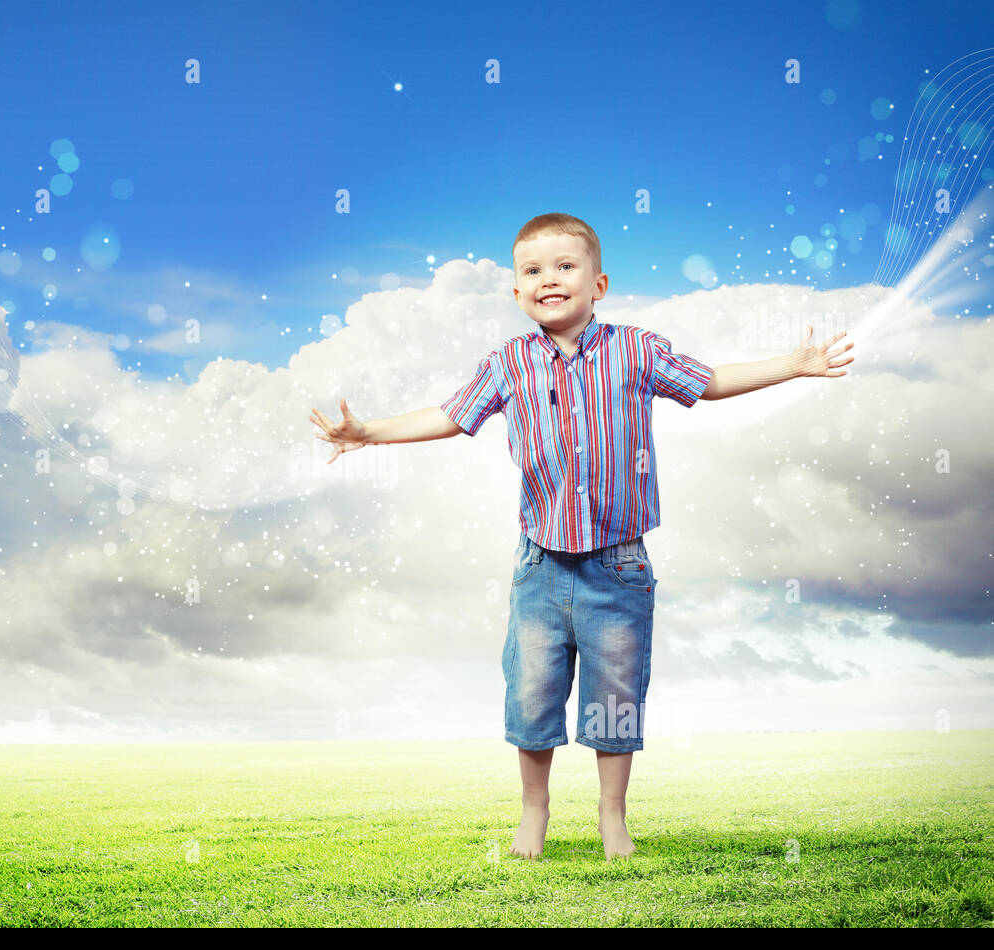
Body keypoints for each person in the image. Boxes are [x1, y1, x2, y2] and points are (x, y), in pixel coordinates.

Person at [308, 212, 853, 861]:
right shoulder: (508, 363)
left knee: (615, 697)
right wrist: (369, 432)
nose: (549, 280)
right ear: (516, 293)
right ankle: (533, 811)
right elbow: (448, 418)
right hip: (540, 565)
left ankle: (612, 815)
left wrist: (792, 365)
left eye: (565, 267)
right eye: (532, 271)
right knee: (532, 691)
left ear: (598, 283)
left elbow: (709, 384)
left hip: (618, 564)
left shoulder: (638, 349)